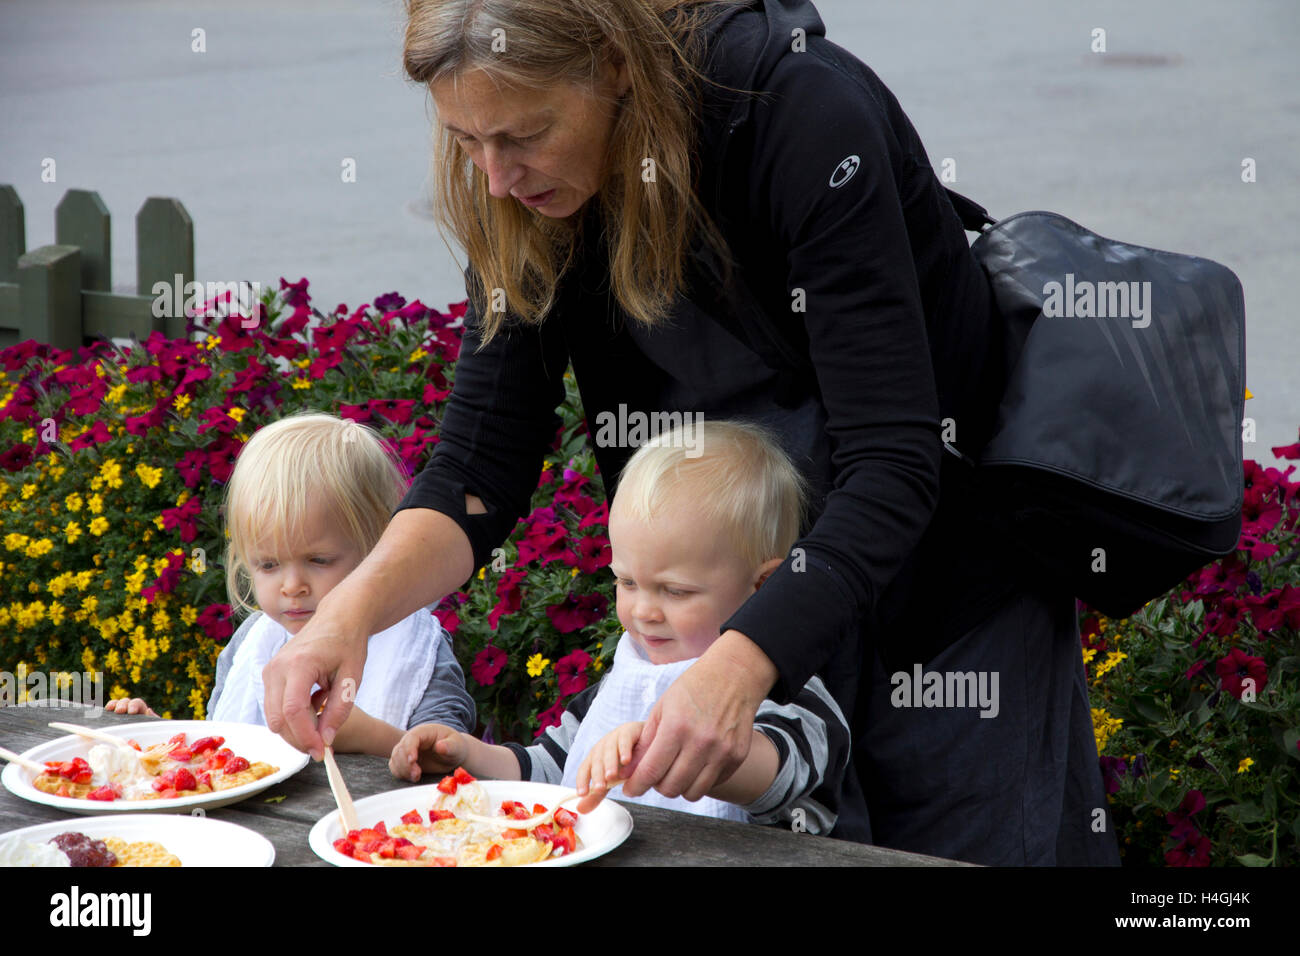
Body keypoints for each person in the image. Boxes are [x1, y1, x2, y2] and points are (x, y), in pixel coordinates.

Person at [264, 0, 1118, 864]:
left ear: (615, 65)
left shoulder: (803, 116)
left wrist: (739, 668)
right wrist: (346, 621)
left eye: (524, 135)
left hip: (939, 598)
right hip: (727, 592)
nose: (493, 178)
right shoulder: (519, 183)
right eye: (465, 140)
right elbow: (479, 467)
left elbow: (895, 461)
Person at [390, 419, 851, 833]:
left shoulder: (787, 695)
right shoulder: (625, 676)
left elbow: (774, 780)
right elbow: (549, 770)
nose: (644, 611)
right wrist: (469, 756)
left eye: (676, 591)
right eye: (627, 582)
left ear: (764, 586)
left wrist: (659, 744)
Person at [107, 411, 475, 755]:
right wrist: (159, 741)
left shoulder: (418, 648)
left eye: (318, 561)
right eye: (268, 564)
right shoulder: (252, 642)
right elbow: (222, 748)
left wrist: (369, 738)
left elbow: (445, 759)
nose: (292, 586)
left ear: (379, 549)